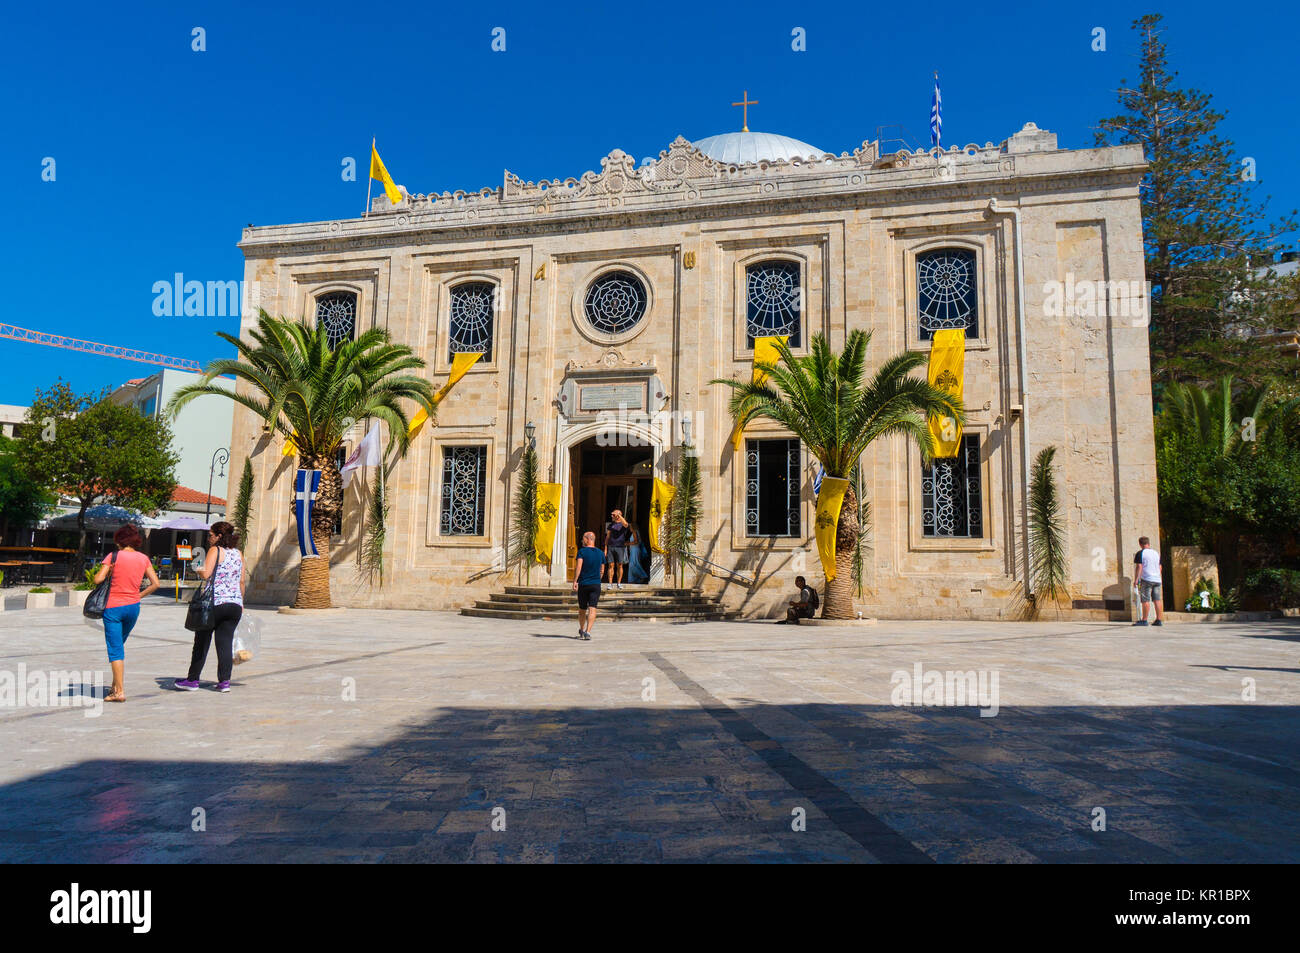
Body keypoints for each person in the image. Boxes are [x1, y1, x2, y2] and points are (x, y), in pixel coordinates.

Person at [173, 521, 245, 692]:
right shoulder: (238, 553)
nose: (208, 538)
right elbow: (241, 581)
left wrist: (197, 567)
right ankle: (224, 682)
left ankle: (192, 680)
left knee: (202, 642)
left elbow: (206, 574)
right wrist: (241, 602)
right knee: (224, 644)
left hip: (215, 603)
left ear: (219, 536)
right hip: (234, 603)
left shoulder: (215, 550)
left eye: (211, 535)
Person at [93, 524, 161, 703]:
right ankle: (115, 686)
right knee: (119, 646)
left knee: (115, 650)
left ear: (120, 540)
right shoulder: (143, 558)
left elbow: (97, 579)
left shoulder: (113, 556)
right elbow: (155, 584)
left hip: (113, 607)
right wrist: (138, 595)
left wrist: (109, 572)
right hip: (133, 607)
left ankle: (119, 692)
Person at [572, 530, 605, 641]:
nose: (582, 540)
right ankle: (588, 631)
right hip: (596, 584)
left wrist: (575, 581)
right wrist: (597, 580)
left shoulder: (582, 552)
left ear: (587, 539)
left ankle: (581, 630)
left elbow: (579, 567)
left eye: (583, 538)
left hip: (584, 584)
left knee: (582, 609)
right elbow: (602, 570)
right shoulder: (600, 553)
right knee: (593, 608)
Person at [1132, 536, 1164, 627]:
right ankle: (1159, 619)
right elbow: (1160, 566)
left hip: (1147, 579)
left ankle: (1144, 620)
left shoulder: (1141, 553)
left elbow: (1139, 567)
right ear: (1148, 543)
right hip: (1157, 579)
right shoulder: (1156, 553)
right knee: (1157, 599)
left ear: (1140, 544)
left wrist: (1136, 580)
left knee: (1145, 599)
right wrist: (1157, 575)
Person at [603, 508, 635, 590]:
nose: (612, 516)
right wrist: (605, 548)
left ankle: (619, 583)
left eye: (613, 515)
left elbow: (626, 524)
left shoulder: (623, 525)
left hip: (620, 547)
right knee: (611, 565)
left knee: (620, 565)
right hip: (611, 547)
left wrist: (619, 515)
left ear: (618, 515)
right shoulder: (611, 525)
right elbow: (607, 537)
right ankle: (610, 583)